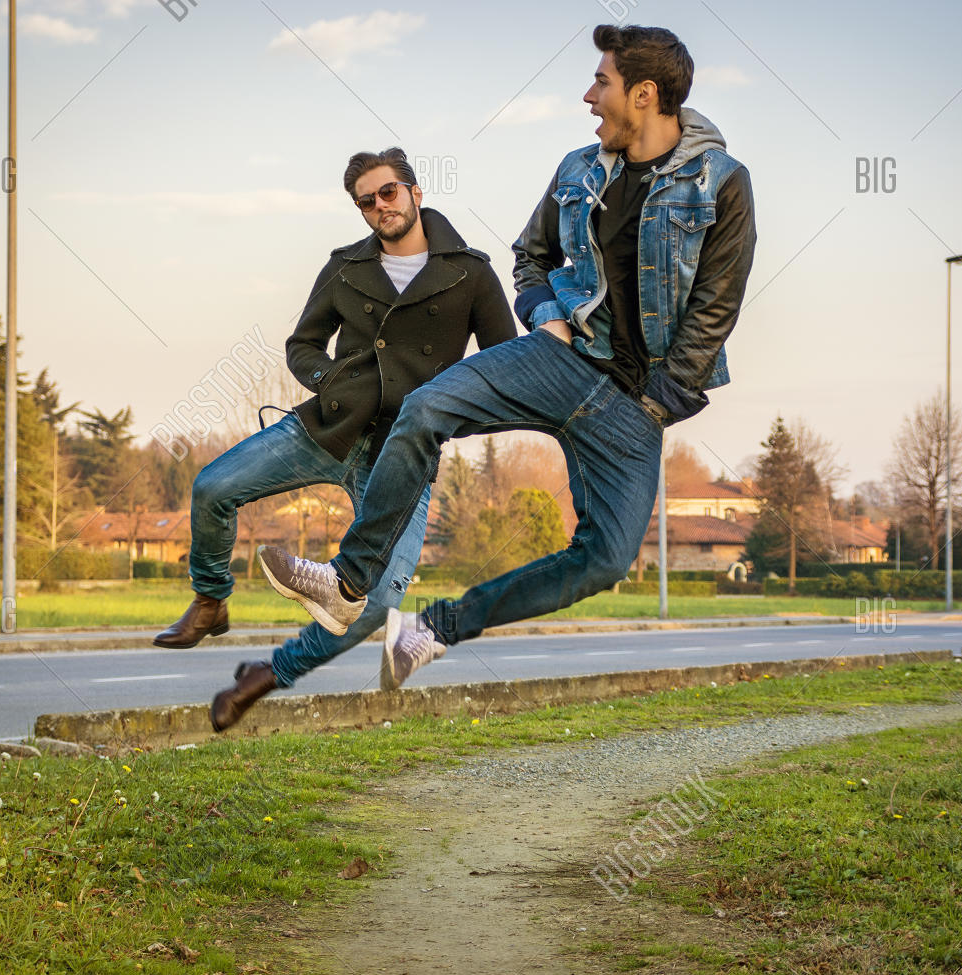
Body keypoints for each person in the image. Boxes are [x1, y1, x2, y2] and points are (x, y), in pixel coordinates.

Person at [258, 24, 756, 689]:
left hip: (636, 407)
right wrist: (545, 314)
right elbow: (531, 256)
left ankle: (436, 629)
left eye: (601, 82)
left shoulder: (721, 183)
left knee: (605, 561)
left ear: (643, 94)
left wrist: (656, 403)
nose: (588, 96)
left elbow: (715, 309)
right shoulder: (579, 168)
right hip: (565, 361)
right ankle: (348, 582)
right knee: (424, 407)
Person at [152, 147, 515, 730]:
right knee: (212, 487)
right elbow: (303, 345)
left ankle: (268, 675)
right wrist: (331, 382)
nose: (379, 206)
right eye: (365, 201)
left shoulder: (470, 272)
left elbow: (503, 368)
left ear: (415, 192)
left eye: (388, 192)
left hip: (404, 453)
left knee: (375, 602)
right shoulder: (345, 266)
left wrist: (445, 416)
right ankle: (211, 599)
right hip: (328, 426)